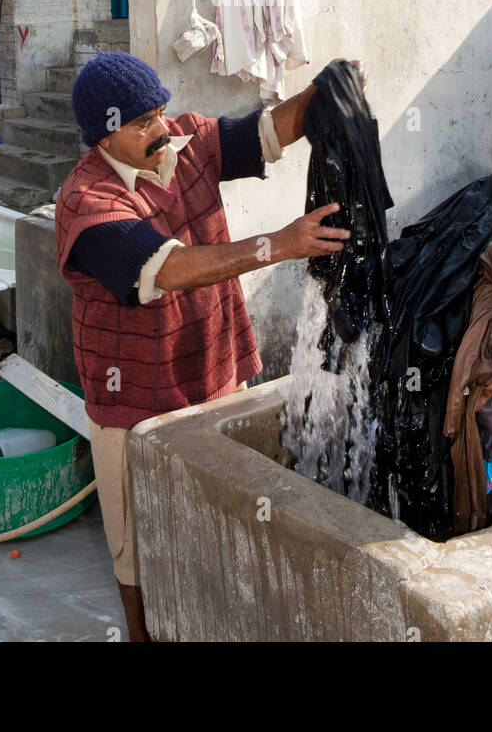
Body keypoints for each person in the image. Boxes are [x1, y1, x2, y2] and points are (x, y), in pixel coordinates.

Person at [55, 50, 364, 641]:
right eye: (142, 122)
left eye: (162, 112)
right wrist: (279, 245)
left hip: (216, 370)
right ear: (104, 136)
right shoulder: (86, 203)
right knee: (136, 546)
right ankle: (142, 633)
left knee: (223, 520)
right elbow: (167, 269)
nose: (161, 130)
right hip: (133, 399)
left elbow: (272, 130)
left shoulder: (187, 143)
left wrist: (326, 88)